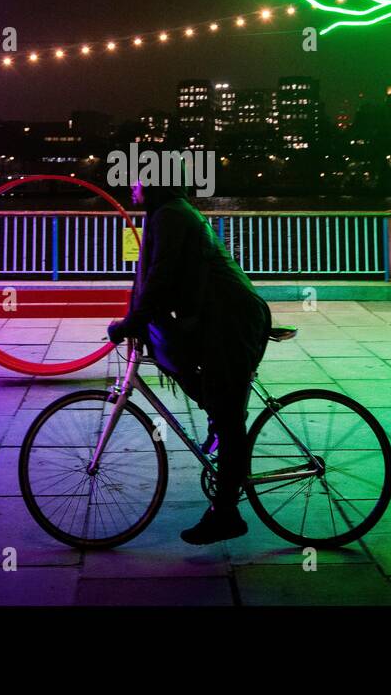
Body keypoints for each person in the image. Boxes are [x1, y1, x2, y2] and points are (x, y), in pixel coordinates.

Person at [107, 178, 272, 545]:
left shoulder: (172, 216)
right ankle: (216, 414)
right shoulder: (167, 213)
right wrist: (138, 321)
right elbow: (154, 280)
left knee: (230, 421)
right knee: (167, 352)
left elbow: (160, 277)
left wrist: (133, 321)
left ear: (153, 184)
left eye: (137, 181)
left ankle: (226, 513)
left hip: (232, 320)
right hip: (218, 319)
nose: (131, 188)